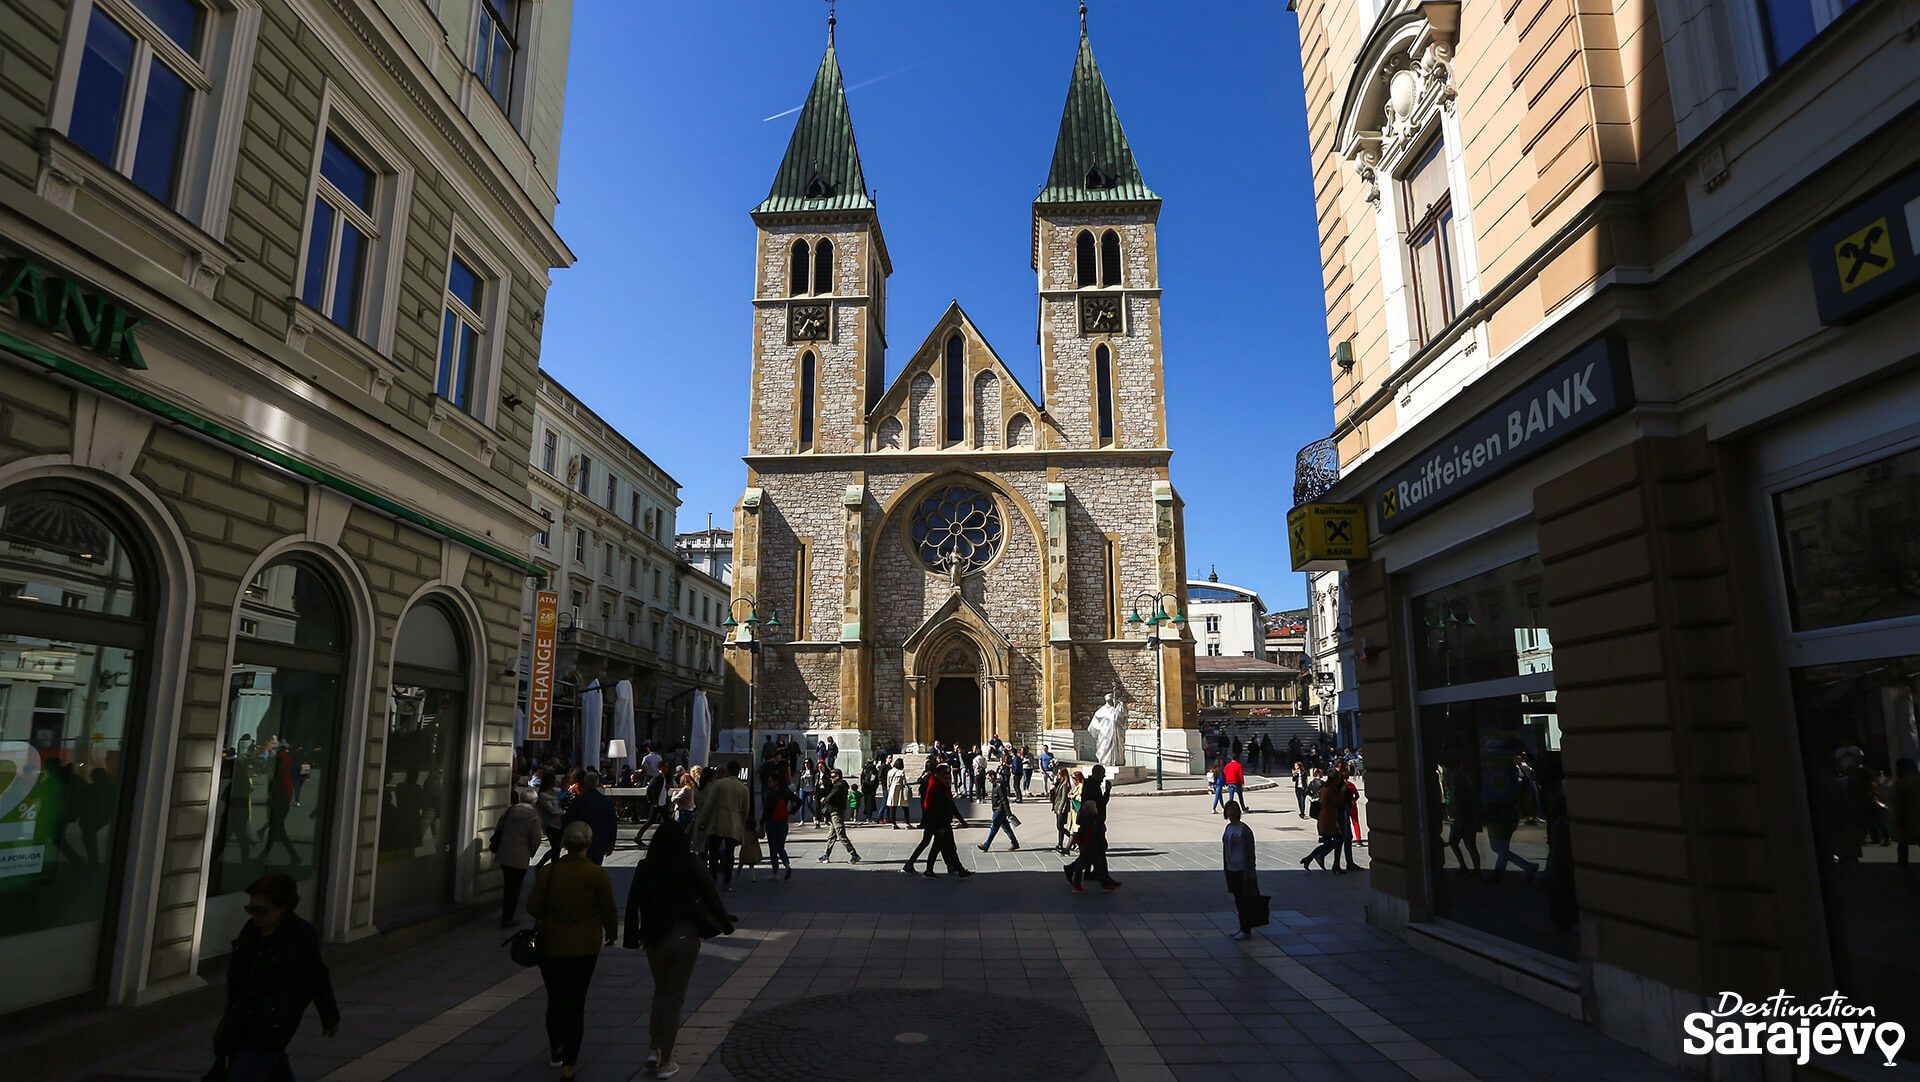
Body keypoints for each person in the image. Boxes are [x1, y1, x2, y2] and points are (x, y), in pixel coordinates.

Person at [624, 819, 731, 1079]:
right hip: (684, 936)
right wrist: (725, 924)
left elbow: (632, 903)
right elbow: (710, 894)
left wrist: (631, 937)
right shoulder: (690, 862)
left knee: (660, 991)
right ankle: (666, 1060)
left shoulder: (646, 866)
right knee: (674, 997)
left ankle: (652, 1049)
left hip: (654, 937)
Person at [214, 873, 339, 1082]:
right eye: (251, 909)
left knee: (249, 1069)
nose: (255, 916)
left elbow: (317, 977)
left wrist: (329, 1017)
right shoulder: (251, 930)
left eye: (262, 911)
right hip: (243, 1018)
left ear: (283, 907)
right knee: (270, 1068)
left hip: (273, 1023)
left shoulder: (300, 934)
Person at [527, 822, 617, 1078]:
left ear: (565, 844)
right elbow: (608, 909)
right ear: (588, 844)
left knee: (555, 998)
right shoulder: (596, 874)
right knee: (576, 1002)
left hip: (551, 943)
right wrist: (611, 933)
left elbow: (532, 907)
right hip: (584, 945)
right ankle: (569, 1066)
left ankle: (556, 1047)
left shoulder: (549, 872)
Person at [904, 765, 970, 878]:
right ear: (938, 775)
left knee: (941, 845)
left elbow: (952, 806)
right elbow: (935, 809)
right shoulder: (937, 789)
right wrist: (939, 826)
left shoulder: (942, 787)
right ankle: (955, 868)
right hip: (937, 822)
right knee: (944, 846)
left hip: (940, 823)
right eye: (945, 776)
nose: (948, 779)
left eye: (949, 777)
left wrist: (962, 821)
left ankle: (951, 868)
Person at [694, 760, 751, 890]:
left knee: (713, 853)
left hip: (717, 822)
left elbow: (709, 805)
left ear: (728, 770)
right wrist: (741, 825)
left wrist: (702, 822)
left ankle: (713, 878)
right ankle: (727, 881)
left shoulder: (719, 784)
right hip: (734, 823)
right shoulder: (743, 788)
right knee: (730, 854)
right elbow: (745, 810)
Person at [494, 788, 546, 927]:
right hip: (520, 856)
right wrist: (531, 852)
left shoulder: (509, 811)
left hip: (504, 853)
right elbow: (536, 839)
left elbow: (498, 828)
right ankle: (508, 917)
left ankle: (505, 913)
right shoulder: (533, 816)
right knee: (515, 888)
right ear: (534, 802)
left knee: (508, 884)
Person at [1221, 801, 1259, 940]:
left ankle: (1246, 929)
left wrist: (1250, 872)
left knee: (1245, 900)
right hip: (1231, 869)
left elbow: (1250, 852)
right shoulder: (1228, 828)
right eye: (1228, 809)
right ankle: (1242, 927)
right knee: (1238, 900)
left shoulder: (1244, 830)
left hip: (1243, 869)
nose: (1231, 812)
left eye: (1233, 809)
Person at [562, 771, 618, 865]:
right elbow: (612, 824)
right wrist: (611, 845)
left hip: (580, 839)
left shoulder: (579, 801)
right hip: (600, 840)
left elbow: (568, 820)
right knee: (596, 867)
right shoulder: (606, 802)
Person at [1302, 771, 1351, 872]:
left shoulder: (1325, 787)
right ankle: (1332, 864)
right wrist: (1342, 792)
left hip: (1324, 817)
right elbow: (1338, 802)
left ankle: (1309, 858)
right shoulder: (1330, 789)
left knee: (1328, 843)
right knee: (1336, 841)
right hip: (1330, 818)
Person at [819, 769, 861, 864]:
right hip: (834, 812)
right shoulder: (839, 785)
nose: (831, 778)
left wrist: (824, 799)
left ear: (838, 776)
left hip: (836, 813)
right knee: (831, 836)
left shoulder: (839, 786)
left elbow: (831, 796)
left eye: (833, 777)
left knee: (841, 835)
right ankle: (826, 855)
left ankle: (854, 854)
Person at [762, 769, 797, 880]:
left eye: (771, 781)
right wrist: (791, 812)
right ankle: (786, 865)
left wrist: (761, 823)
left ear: (776, 782)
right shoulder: (786, 791)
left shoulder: (771, 794)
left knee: (773, 848)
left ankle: (775, 873)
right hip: (783, 822)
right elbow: (799, 801)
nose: (769, 783)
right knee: (780, 846)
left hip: (772, 822)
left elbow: (766, 811)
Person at [977, 768, 1021, 852]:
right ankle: (1015, 843)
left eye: (988, 778)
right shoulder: (996, 784)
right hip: (997, 809)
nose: (988, 780)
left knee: (994, 827)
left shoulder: (999, 785)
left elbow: (1004, 799)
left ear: (993, 776)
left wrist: (1008, 813)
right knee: (1006, 828)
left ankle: (986, 845)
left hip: (999, 810)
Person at [1894, 758, 1920, 874]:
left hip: (1911, 819)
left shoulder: (1902, 783)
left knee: (1903, 843)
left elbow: (1899, 804)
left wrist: (1898, 821)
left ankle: (1902, 867)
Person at [1051, 766, 1075, 853]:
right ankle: (1060, 843)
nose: (1058, 775)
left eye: (1059, 773)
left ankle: (1073, 839)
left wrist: (1060, 808)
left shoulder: (1065, 784)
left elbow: (1064, 798)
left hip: (1062, 808)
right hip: (1057, 806)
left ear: (1063, 774)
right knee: (1060, 826)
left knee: (1060, 826)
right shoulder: (1060, 783)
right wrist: (1055, 782)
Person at [885, 756, 911, 828]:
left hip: (892, 790)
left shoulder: (890, 772)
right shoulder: (901, 772)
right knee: (905, 807)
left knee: (893, 807)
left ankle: (893, 823)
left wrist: (889, 790)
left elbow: (888, 783)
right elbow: (904, 782)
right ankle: (907, 823)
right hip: (900, 790)